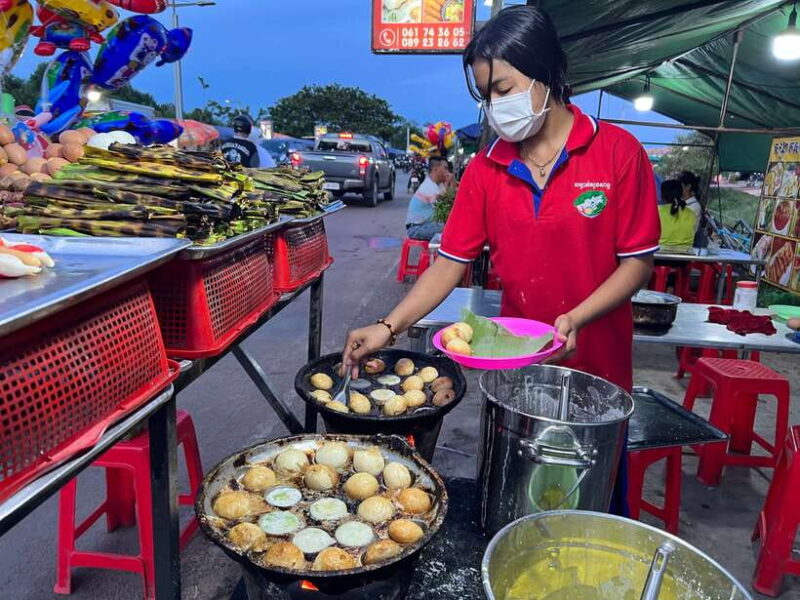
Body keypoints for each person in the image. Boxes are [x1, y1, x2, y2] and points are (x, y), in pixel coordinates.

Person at [342, 6, 660, 515]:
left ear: (548, 74)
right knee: (514, 499)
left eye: (504, 88)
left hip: (598, 367)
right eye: (486, 94)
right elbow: (449, 263)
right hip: (516, 366)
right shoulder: (488, 169)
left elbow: (636, 264)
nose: (495, 105)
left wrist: (576, 318)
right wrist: (389, 324)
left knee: (590, 504)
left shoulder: (617, 152)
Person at [405, 157, 452, 241]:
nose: (447, 172)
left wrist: (449, 183)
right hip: (416, 228)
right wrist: (448, 183)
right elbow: (442, 211)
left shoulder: (437, 185)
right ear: (436, 170)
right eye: (444, 169)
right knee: (450, 229)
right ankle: (437, 252)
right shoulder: (429, 186)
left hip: (425, 224)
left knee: (449, 226)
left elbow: (446, 199)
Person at [658, 179, 697, 249]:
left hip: (659, 257)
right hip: (685, 258)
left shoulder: (656, 212)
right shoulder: (691, 214)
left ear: (662, 196)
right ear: (681, 194)